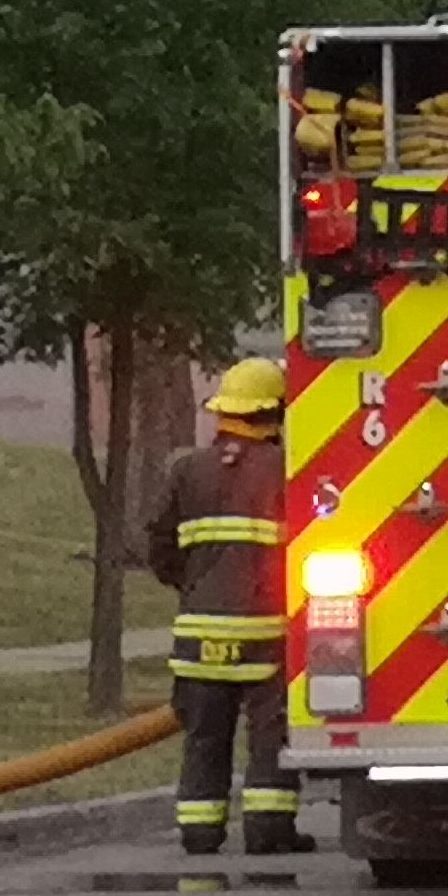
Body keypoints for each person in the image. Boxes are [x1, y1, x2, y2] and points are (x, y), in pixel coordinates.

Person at [143, 356, 305, 857]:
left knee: (205, 736)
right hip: (266, 631)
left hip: (199, 632)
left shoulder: (187, 470)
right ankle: (267, 830)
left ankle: (199, 830)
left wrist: (193, 587)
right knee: (269, 734)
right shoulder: (286, 469)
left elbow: (159, 545)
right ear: (274, 411)